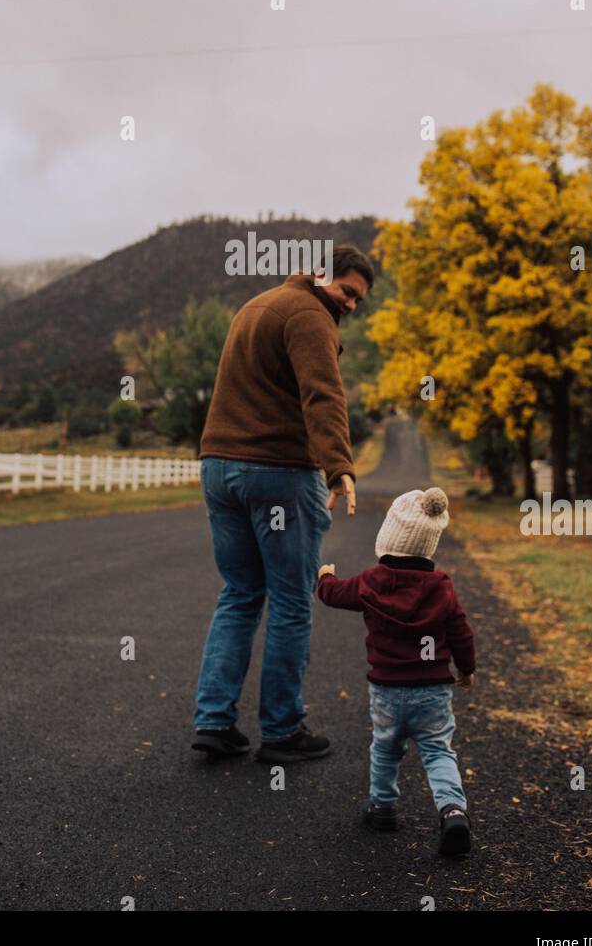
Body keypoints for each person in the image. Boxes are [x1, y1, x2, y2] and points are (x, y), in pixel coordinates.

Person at [192, 244, 375, 763]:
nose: (351, 306)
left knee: (240, 593)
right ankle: (281, 730)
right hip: (276, 471)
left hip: (218, 467)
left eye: (358, 299)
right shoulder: (310, 315)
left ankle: (214, 721)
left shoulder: (256, 305)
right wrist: (339, 466)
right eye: (347, 292)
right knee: (292, 600)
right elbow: (323, 394)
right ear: (321, 276)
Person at [317, 486, 476, 856]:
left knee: (386, 749)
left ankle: (383, 807)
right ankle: (452, 811)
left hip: (387, 690)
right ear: (429, 545)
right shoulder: (441, 587)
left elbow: (334, 594)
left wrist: (325, 575)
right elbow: (461, 632)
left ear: (389, 536)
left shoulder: (371, 581)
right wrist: (466, 669)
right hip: (433, 690)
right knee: (438, 751)